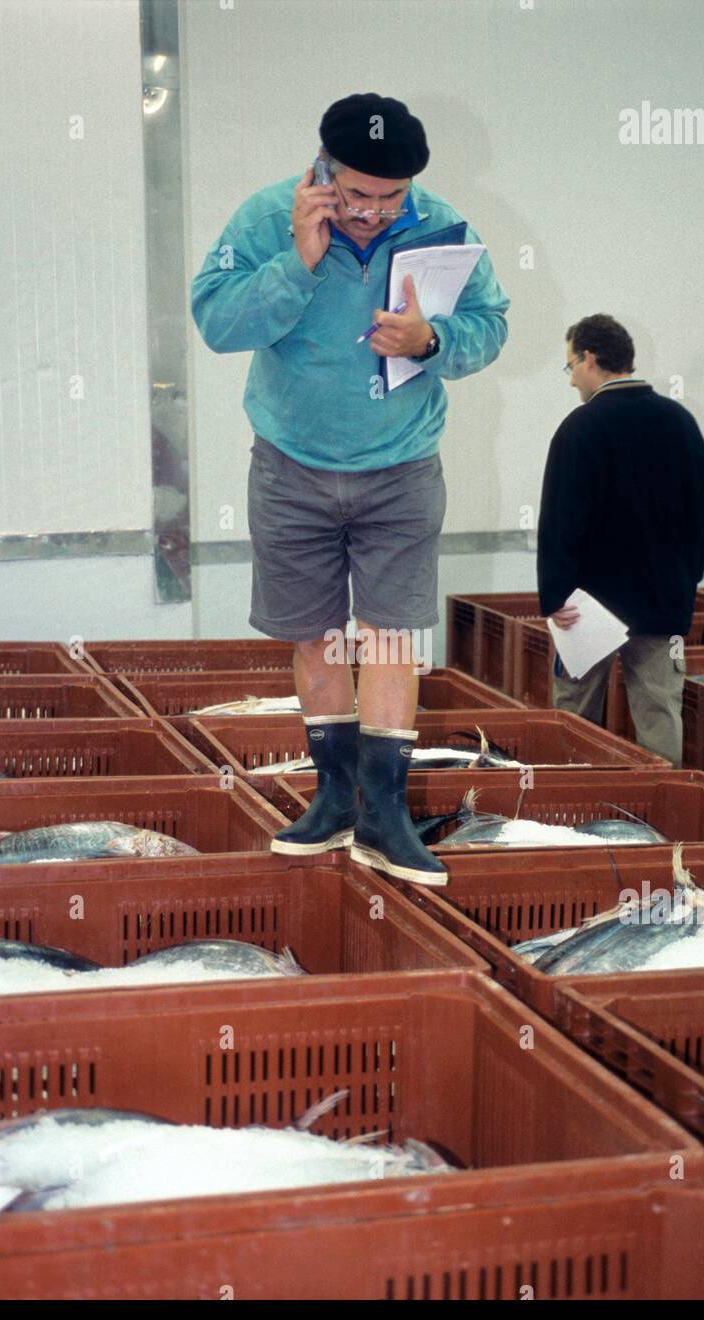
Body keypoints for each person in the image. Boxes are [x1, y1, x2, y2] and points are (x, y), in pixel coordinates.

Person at [191, 94, 510, 884]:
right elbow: (217, 323)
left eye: (387, 198)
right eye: (354, 194)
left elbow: (491, 325)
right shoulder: (268, 216)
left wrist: (431, 340)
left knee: (392, 635)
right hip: (291, 462)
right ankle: (332, 801)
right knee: (315, 633)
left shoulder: (443, 225)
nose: (369, 213)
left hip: (399, 465)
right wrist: (295, 260)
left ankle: (384, 814)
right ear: (323, 170)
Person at [537, 314, 704, 767]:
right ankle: (663, 821)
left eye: (570, 366)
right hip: (662, 600)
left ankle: (572, 808)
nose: (571, 379)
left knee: (575, 715)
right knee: (660, 714)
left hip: (589, 607)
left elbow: (560, 519)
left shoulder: (580, 428)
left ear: (590, 358)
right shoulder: (679, 421)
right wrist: (686, 578)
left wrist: (554, 594)